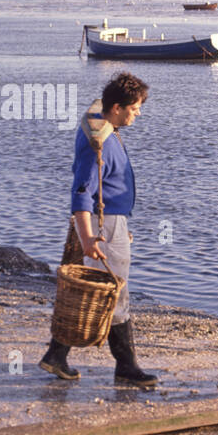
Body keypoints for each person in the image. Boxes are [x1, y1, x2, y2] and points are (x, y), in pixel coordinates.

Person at [39, 72, 159, 387]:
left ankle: (56, 356)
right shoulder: (98, 142)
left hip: (111, 222)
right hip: (102, 224)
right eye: (134, 108)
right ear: (116, 107)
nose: (139, 114)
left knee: (91, 293)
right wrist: (89, 237)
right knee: (115, 294)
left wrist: (116, 226)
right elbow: (81, 192)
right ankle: (127, 367)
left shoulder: (104, 125)